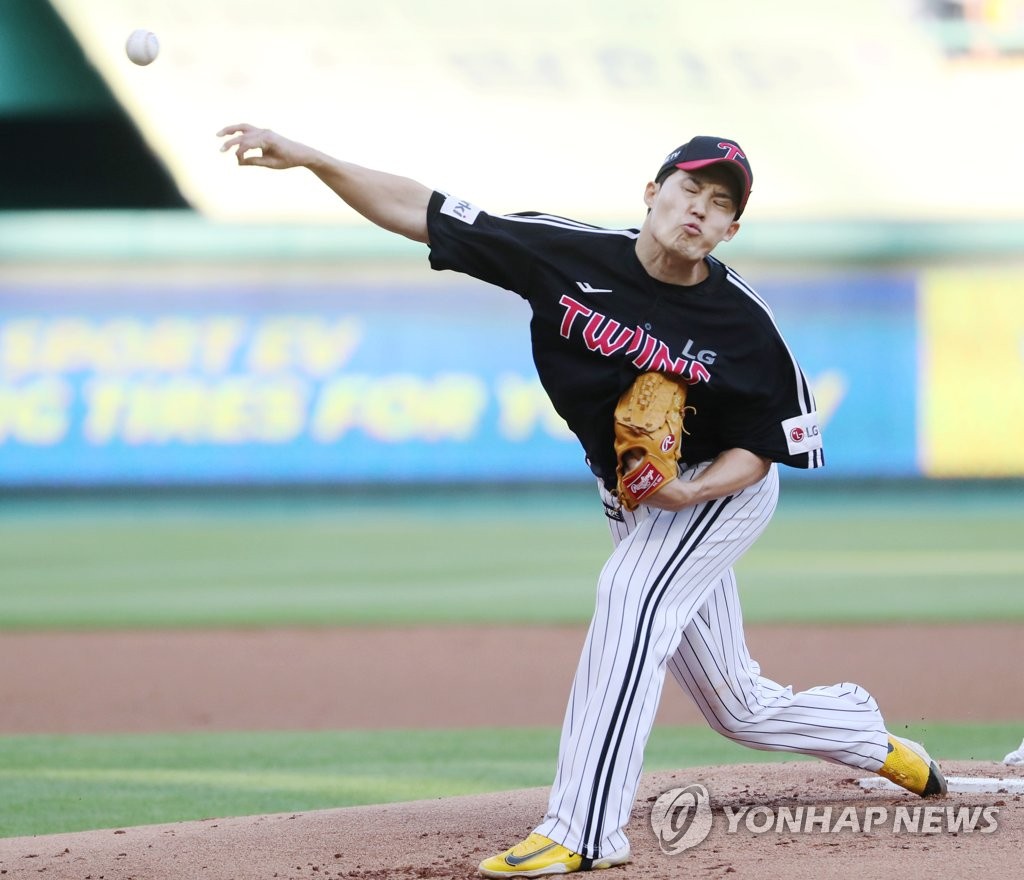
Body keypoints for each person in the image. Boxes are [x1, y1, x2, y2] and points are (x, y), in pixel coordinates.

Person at [218, 124, 948, 876]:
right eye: (689, 187)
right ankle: (867, 735)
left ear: (732, 229)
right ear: (652, 193)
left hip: (716, 491)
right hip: (631, 494)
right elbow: (421, 210)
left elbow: (765, 452)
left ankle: (585, 829)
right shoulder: (562, 252)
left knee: (630, 595)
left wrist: (691, 489)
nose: (698, 208)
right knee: (738, 706)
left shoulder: (745, 326)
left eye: (720, 202)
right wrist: (316, 160)